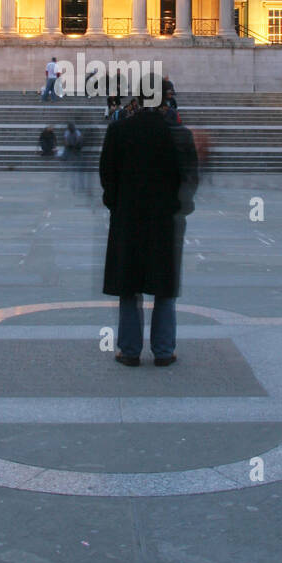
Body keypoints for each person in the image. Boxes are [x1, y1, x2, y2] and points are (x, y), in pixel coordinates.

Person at [99, 86, 198, 368]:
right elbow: (190, 178)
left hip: (128, 217)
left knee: (129, 285)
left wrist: (115, 204)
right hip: (167, 219)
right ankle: (164, 351)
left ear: (138, 100)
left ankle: (129, 350)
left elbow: (107, 174)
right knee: (165, 285)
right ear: (164, 100)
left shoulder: (118, 131)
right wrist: (181, 208)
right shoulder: (179, 134)